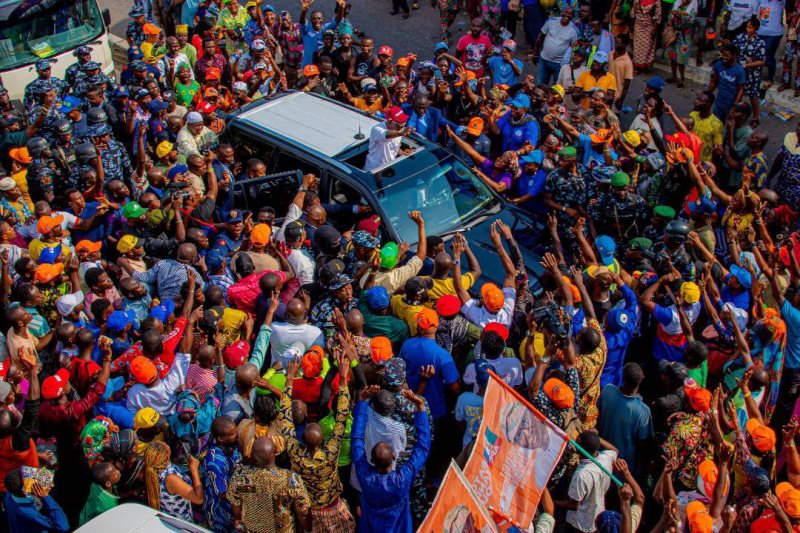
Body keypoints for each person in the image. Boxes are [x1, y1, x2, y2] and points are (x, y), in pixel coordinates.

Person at [351, 385, 431, 533]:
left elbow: (356, 438)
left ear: (371, 460)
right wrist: (420, 407)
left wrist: (362, 401)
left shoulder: (365, 476)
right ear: (394, 456)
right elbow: (422, 448)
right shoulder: (402, 479)